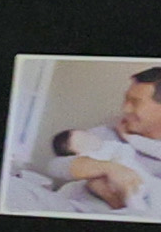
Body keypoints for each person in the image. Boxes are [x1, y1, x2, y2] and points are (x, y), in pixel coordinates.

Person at [37, 63, 161, 212]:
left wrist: (117, 196)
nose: (125, 108)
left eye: (135, 102)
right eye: (126, 100)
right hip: (73, 208)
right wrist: (109, 168)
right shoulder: (105, 135)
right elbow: (55, 166)